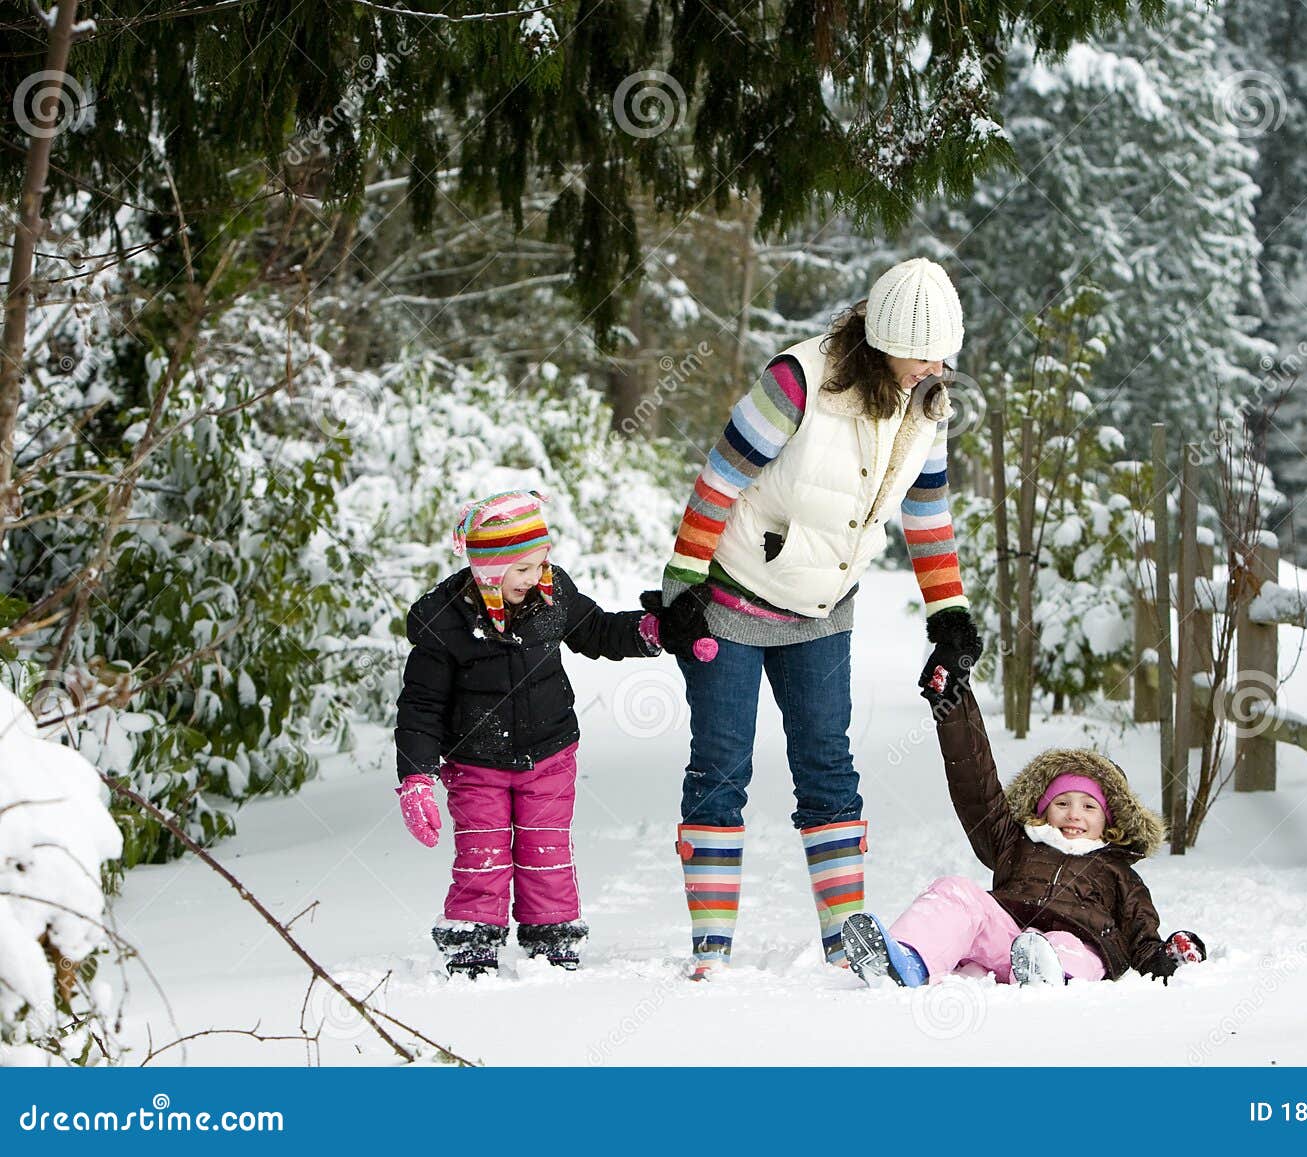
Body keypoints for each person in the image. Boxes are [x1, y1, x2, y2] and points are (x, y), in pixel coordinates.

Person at [643, 258, 984, 978]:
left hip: (823, 609)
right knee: (720, 765)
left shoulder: (928, 403)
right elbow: (721, 476)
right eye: (924, 352)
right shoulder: (798, 381)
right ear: (884, 338)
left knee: (829, 767)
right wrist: (681, 584)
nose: (938, 365)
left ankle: (843, 942)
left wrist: (948, 613)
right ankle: (710, 947)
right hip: (734, 597)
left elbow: (926, 513)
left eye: (944, 353)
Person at [393, 490, 662, 977]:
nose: (535, 577)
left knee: (547, 848)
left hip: (549, 752)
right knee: (483, 851)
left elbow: (597, 631)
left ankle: (552, 935)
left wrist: (649, 632)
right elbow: (421, 706)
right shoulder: (447, 621)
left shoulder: (552, 594)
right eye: (521, 569)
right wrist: (416, 777)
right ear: (488, 570)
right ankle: (473, 938)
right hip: (475, 762)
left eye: (541, 564)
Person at [841, 684, 1207, 987]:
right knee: (955, 889)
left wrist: (1169, 957)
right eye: (1062, 802)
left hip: (1076, 948)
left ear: (1109, 821)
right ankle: (907, 960)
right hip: (1005, 935)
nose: (1074, 814)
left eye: (1089, 807)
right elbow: (976, 786)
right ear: (1043, 809)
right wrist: (952, 700)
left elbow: (1142, 940)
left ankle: (1046, 978)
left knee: (1063, 944)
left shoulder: (1119, 872)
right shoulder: (1016, 841)